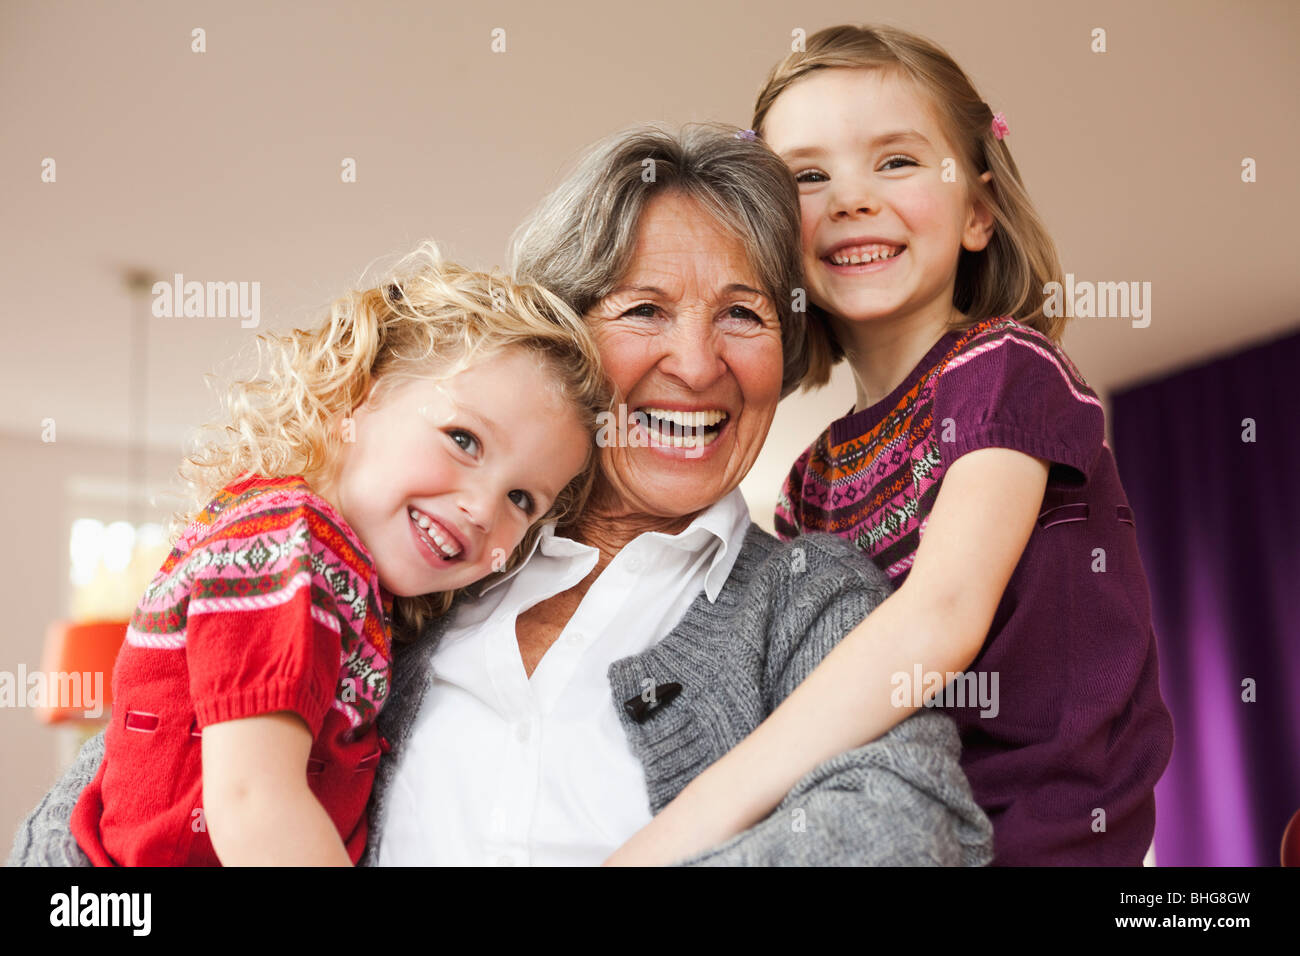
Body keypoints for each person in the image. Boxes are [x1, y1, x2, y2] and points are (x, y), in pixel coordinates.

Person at [10, 125, 993, 868]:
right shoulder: (405, 561)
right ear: (564, 334)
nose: (694, 364)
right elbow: (92, 819)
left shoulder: (810, 597)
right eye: (643, 309)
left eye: (741, 314)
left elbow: (911, 826)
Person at [604, 26, 1174, 867]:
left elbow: (937, 621)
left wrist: (663, 841)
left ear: (979, 212)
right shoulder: (810, 482)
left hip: (1042, 844)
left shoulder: (1004, 368)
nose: (850, 199)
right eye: (808, 175)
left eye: (897, 161)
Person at [48, 244, 605, 865]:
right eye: (463, 439)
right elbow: (255, 799)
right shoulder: (289, 541)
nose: (482, 507)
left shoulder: (348, 576)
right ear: (356, 396)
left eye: (522, 498)